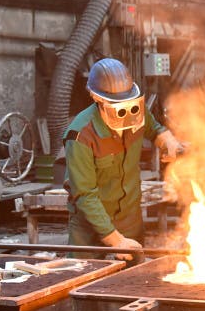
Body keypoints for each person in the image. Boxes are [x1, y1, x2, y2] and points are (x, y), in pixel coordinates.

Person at [64, 58, 180, 262]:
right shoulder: (81, 135)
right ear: (96, 98)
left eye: (128, 102)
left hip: (129, 217)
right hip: (89, 225)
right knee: (85, 274)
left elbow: (153, 128)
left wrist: (165, 138)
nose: (125, 111)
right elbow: (85, 194)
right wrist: (115, 240)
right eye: (116, 105)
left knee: (134, 275)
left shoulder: (136, 113)